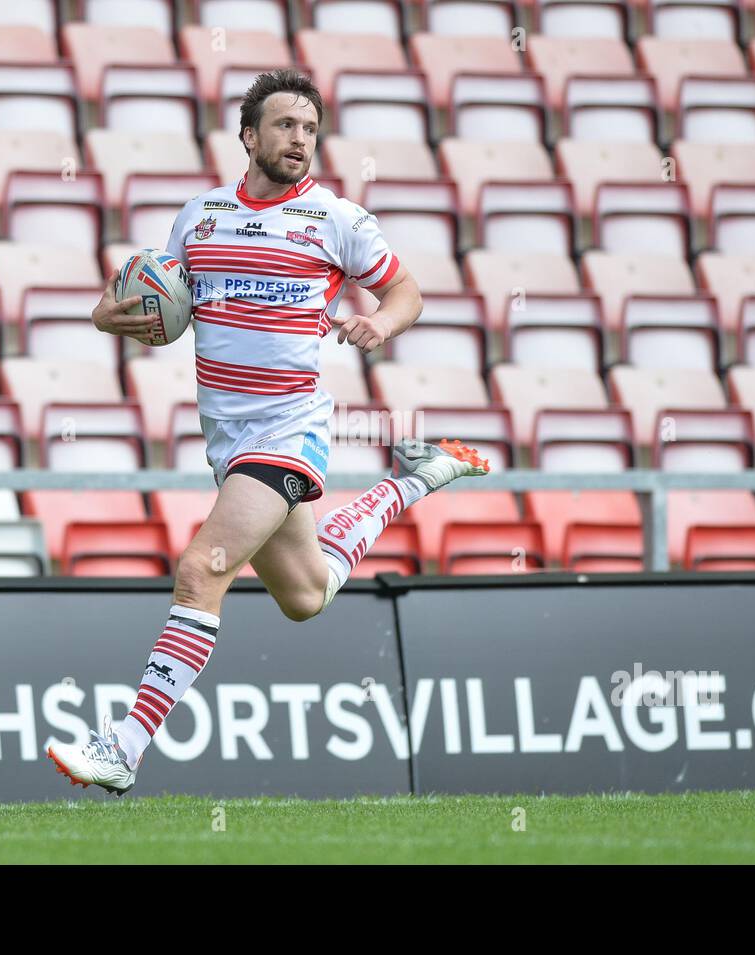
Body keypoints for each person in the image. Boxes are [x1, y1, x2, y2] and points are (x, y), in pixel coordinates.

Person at [47, 69, 488, 794]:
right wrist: (108, 313)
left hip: (289, 431)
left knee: (201, 568)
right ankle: (416, 478)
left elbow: (406, 291)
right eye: (285, 126)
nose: (300, 140)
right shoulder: (199, 217)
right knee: (306, 596)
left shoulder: (336, 219)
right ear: (248, 135)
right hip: (229, 440)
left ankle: (123, 747)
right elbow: (146, 297)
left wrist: (379, 319)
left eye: (310, 129)